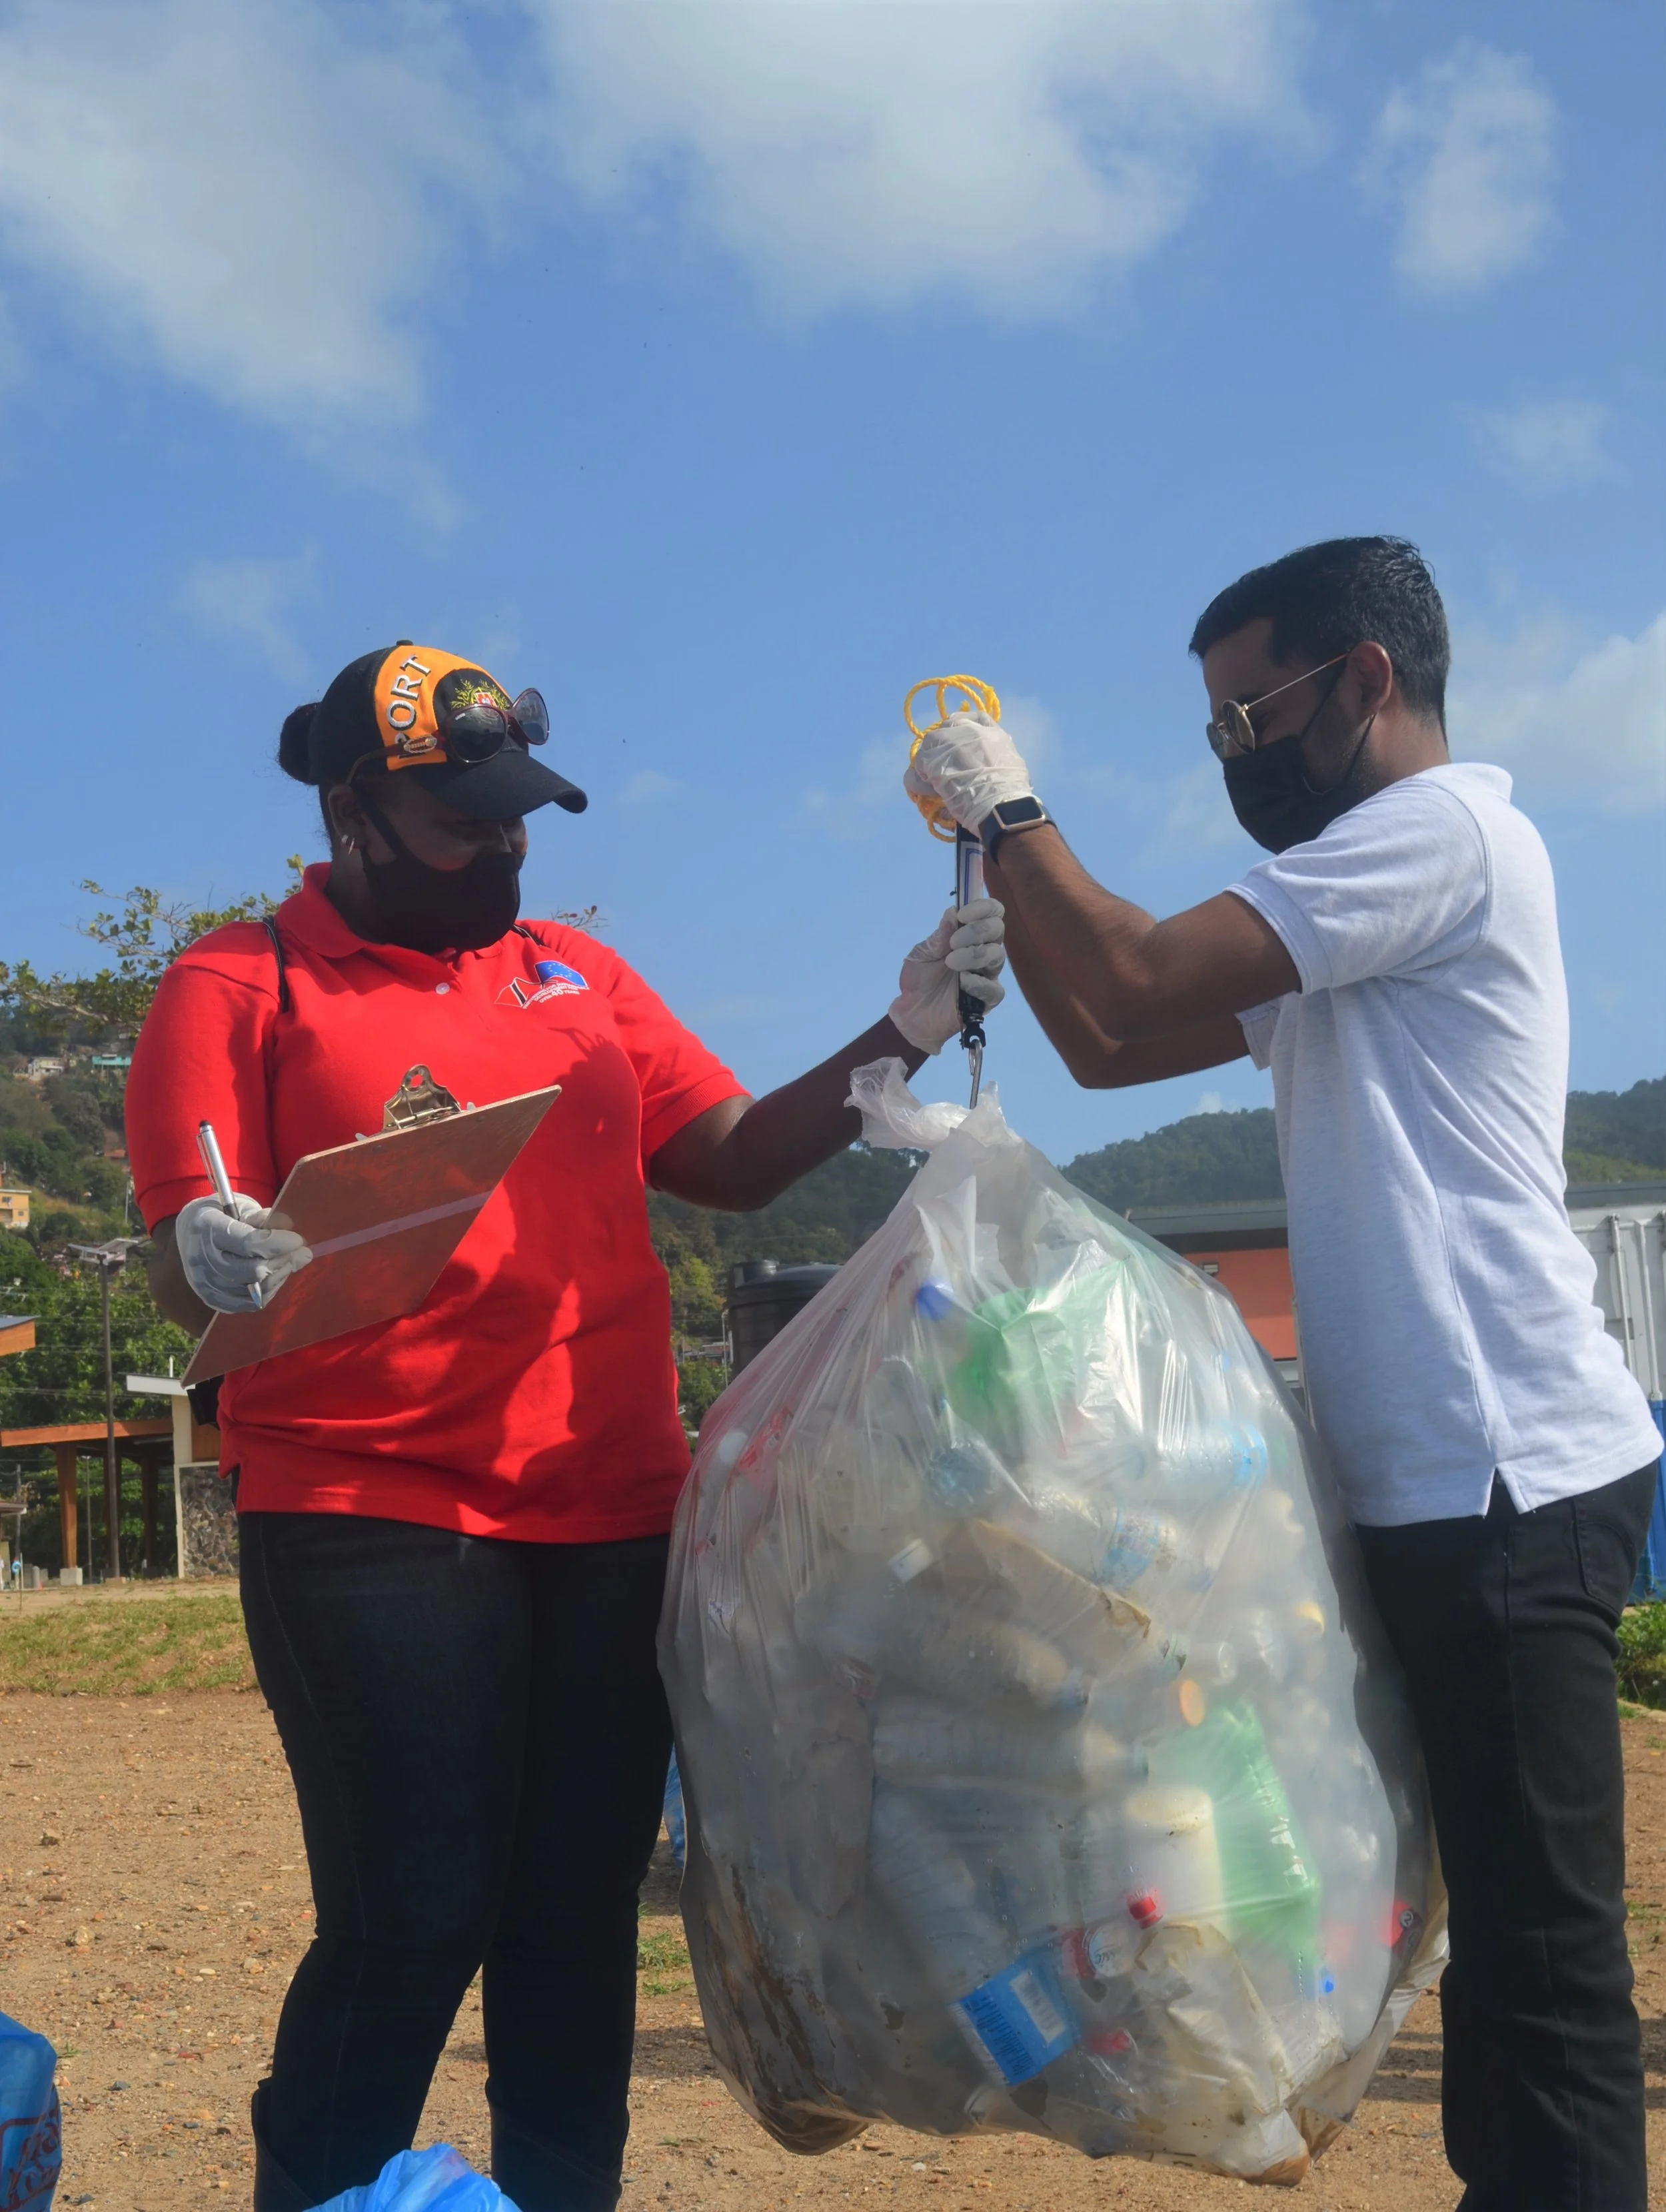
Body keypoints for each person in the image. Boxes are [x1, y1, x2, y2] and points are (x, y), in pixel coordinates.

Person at [126, 642, 1007, 2212]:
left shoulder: (576, 979)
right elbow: (185, 1219)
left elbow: (727, 1154)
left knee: (576, 1917)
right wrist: (198, 1241)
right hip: (370, 1507)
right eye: (464, 821)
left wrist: (905, 1032)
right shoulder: (240, 981)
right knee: (412, 1911)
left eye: (520, 816)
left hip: (608, 1516)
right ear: (351, 811)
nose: (506, 846)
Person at [902, 538, 1663, 2212]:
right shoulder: (1350, 904)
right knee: (1477, 1914)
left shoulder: (1435, 833)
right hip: (1427, 1476)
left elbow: (1135, 972)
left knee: (1543, 1947)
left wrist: (1012, 818)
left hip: (1506, 1463)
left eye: (1247, 713)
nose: (1233, 751)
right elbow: (1106, 1042)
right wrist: (992, 912)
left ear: (1363, 683)